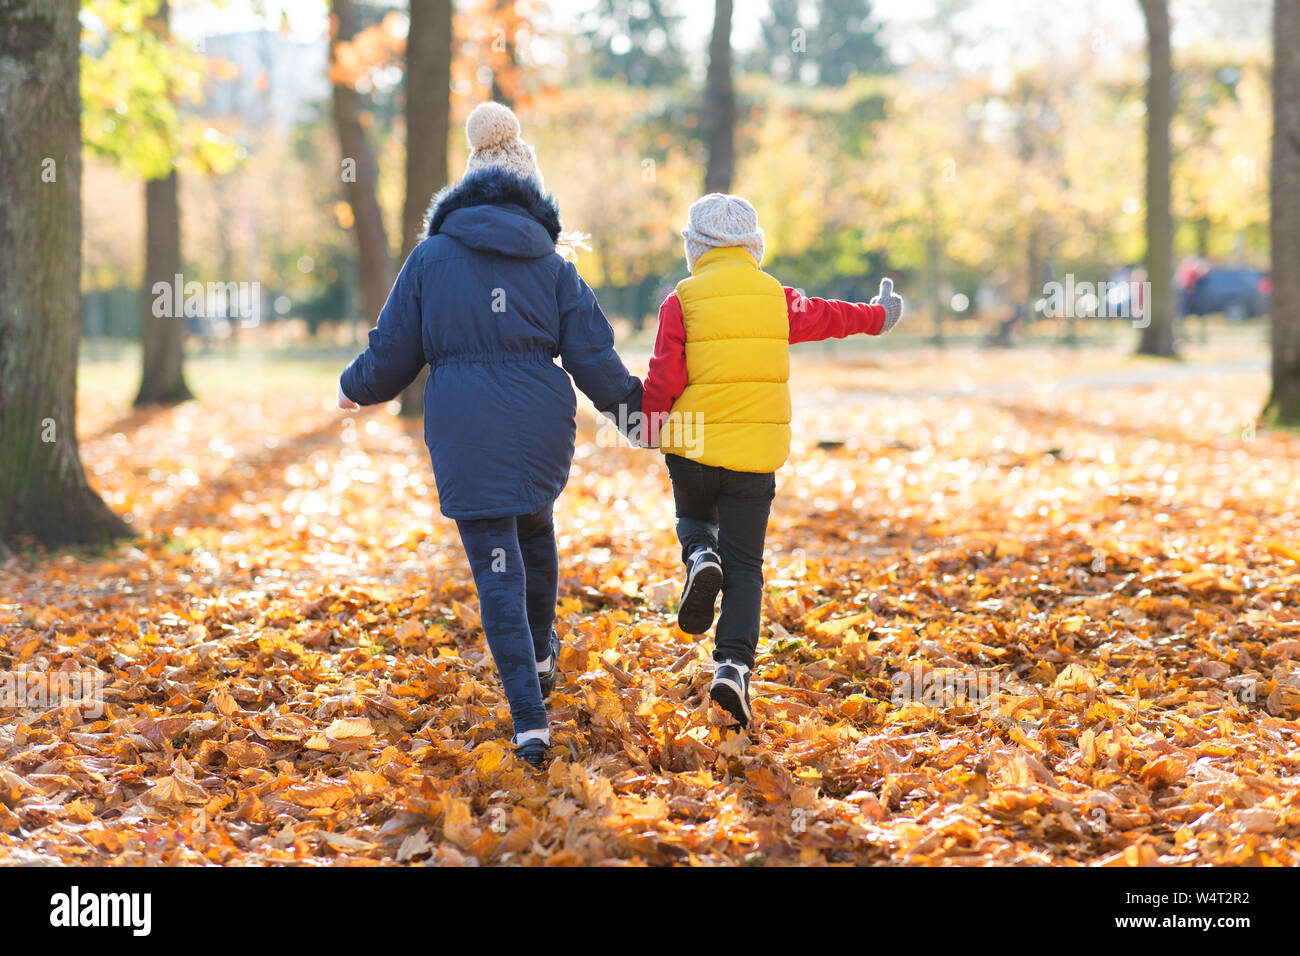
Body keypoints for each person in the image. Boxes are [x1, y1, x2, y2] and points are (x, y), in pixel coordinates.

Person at [336, 102, 641, 767]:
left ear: (467, 189)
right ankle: (538, 650)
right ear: (532, 195)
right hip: (540, 428)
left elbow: (393, 353)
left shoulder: (430, 258)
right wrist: (639, 416)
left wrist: (353, 387)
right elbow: (594, 356)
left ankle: (530, 724)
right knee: (533, 530)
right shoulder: (553, 266)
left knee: (495, 567)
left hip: (466, 430)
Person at [639, 193, 904, 728]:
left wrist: (646, 423)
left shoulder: (681, 300)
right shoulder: (774, 298)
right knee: (747, 566)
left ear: (695, 248)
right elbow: (829, 316)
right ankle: (732, 666)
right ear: (752, 247)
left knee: (694, 520)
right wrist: (878, 316)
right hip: (754, 457)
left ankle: (697, 557)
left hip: (693, 447)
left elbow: (664, 378)